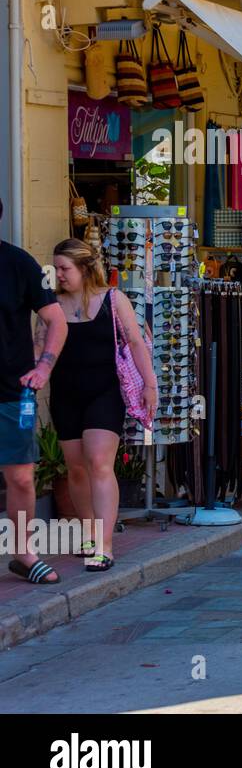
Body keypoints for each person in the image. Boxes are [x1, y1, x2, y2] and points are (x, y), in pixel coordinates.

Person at [49, 239, 156, 571]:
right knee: (76, 469)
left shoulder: (113, 299)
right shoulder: (53, 304)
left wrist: (150, 384)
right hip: (65, 394)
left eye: (64, 268)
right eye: (55, 269)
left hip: (105, 391)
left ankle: (104, 545)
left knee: (98, 463)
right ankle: (89, 533)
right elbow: (41, 347)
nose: (59, 275)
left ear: (83, 268)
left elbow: (136, 342)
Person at [1, 198, 69, 585]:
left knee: (22, 478)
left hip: (10, 388)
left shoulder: (19, 264)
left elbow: (56, 320)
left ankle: (24, 555)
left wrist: (44, 366)